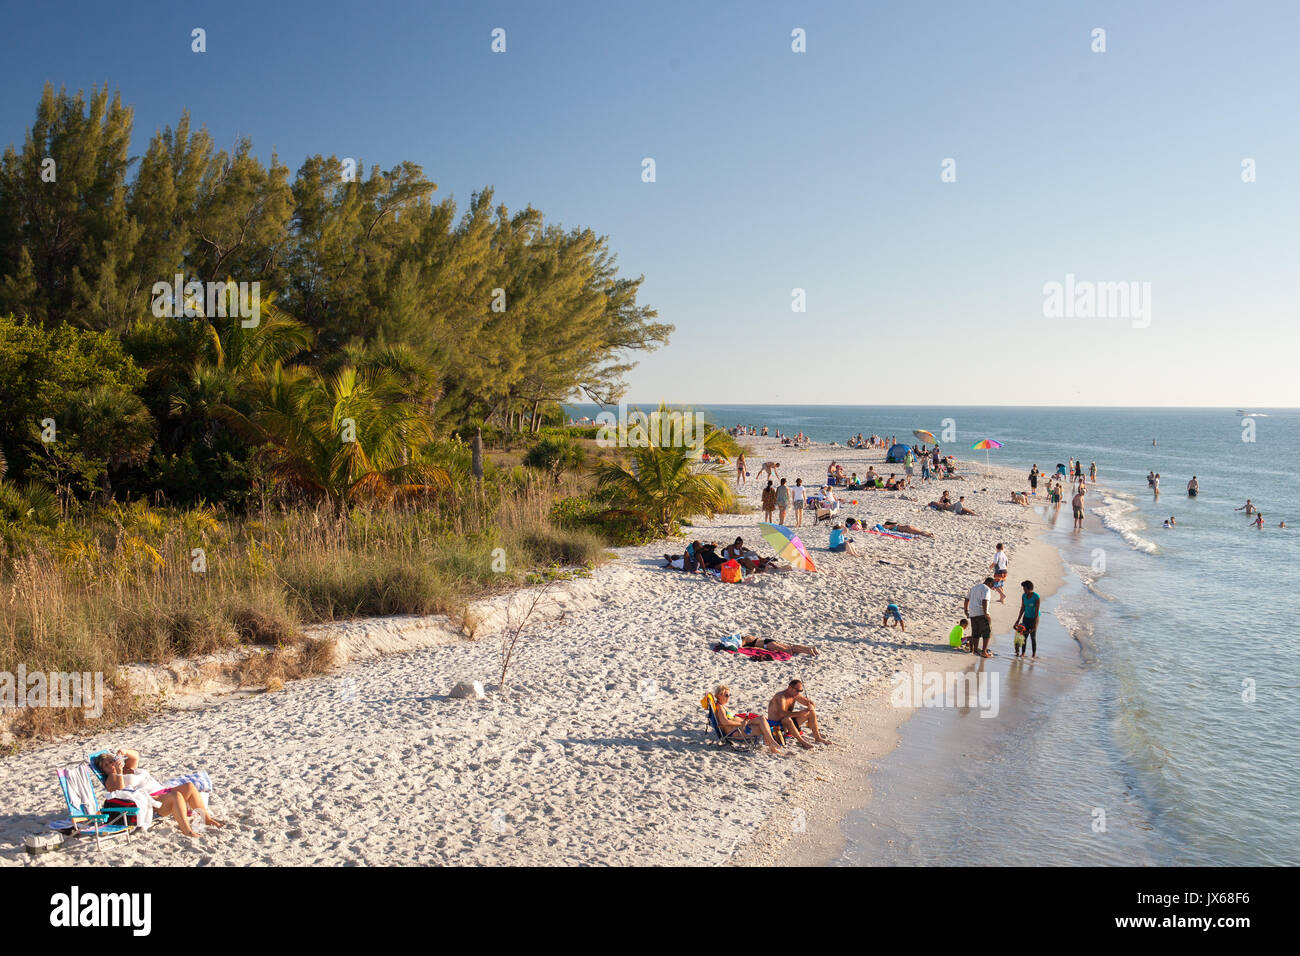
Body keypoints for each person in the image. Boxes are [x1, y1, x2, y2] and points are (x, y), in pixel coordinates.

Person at [94, 749, 224, 837]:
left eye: (111, 761)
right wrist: (118, 771)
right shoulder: (111, 779)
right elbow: (121, 793)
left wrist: (124, 751)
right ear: (103, 771)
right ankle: (187, 830)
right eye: (106, 765)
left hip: (163, 790)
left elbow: (136, 756)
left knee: (189, 787)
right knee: (176, 796)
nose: (110, 764)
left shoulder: (129, 768)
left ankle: (206, 819)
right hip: (152, 801)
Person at [711, 685, 785, 755]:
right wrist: (741, 723)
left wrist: (744, 720)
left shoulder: (723, 706)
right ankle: (772, 745)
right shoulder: (719, 708)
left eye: (729, 695)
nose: (728, 697)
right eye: (726, 695)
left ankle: (772, 744)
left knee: (762, 718)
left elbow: (732, 718)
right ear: (718, 695)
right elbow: (725, 722)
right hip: (735, 731)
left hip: (741, 725)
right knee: (762, 727)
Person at [769, 679, 831, 747]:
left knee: (811, 712)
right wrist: (799, 713)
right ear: (790, 688)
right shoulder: (781, 697)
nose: (799, 693)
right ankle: (803, 742)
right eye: (797, 690)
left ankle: (818, 738)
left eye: (800, 691)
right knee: (787, 719)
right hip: (776, 725)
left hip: (788, 724)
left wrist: (810, 705)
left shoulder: (795, 695)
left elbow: (809, 703)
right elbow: (781, 714)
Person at [964, 576, 995, 658]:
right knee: (987, 632)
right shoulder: (986, 589)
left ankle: (975, 650)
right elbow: (984, 601)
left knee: (975, 632)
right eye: (993, 585)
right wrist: (986, 614)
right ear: (990, 583)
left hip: (973, 613)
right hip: (981, 613)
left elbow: (967, 599)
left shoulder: (974, 587)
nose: (993, 587)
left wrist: (966, 611)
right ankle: (984, 651)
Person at [1014, 580, 1040, 659]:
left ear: (1029, 588)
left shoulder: (1036, 597)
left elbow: (1036, 611)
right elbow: (1022, 608)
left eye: (1024, 588)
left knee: (1033, 636)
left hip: (1034, 618)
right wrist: (1018, 620)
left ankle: (1033, 654)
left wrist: (1035, 624)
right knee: (1024, 636)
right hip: (1026, 618)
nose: (1023, 590)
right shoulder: (1024, 596)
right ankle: (1023, 653)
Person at [741, 635, 818, 657]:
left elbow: (741, 645)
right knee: (790, 647)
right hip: (768, 641)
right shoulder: (750, 637)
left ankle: (809, 651)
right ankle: (809, 649)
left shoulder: (746, 638)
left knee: (788, 651)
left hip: (767, 645)